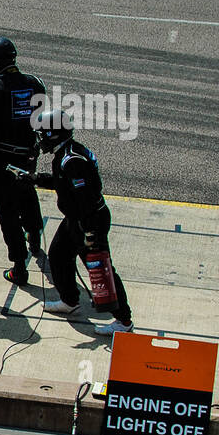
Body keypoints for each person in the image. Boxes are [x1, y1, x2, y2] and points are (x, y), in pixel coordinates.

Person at [22, 109, 134, 335]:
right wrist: (36, 179)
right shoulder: (66, 153)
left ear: (53, 134)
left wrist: (90, 232)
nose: (39, 139)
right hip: (76, 220)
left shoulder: (71, 160)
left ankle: (123, 321)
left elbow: (86, 197)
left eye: (42, 134)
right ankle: (70, 301)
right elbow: (65, 185)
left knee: (101, 270)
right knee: (58, 256)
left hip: (88, 222)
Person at [0, 36, 47, 284]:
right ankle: (35, 235)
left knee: (6, 210)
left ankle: (19, 266)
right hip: (28, 153)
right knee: (28, 194)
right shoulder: (36, 83)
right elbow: (41, 118)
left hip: (3, 157)